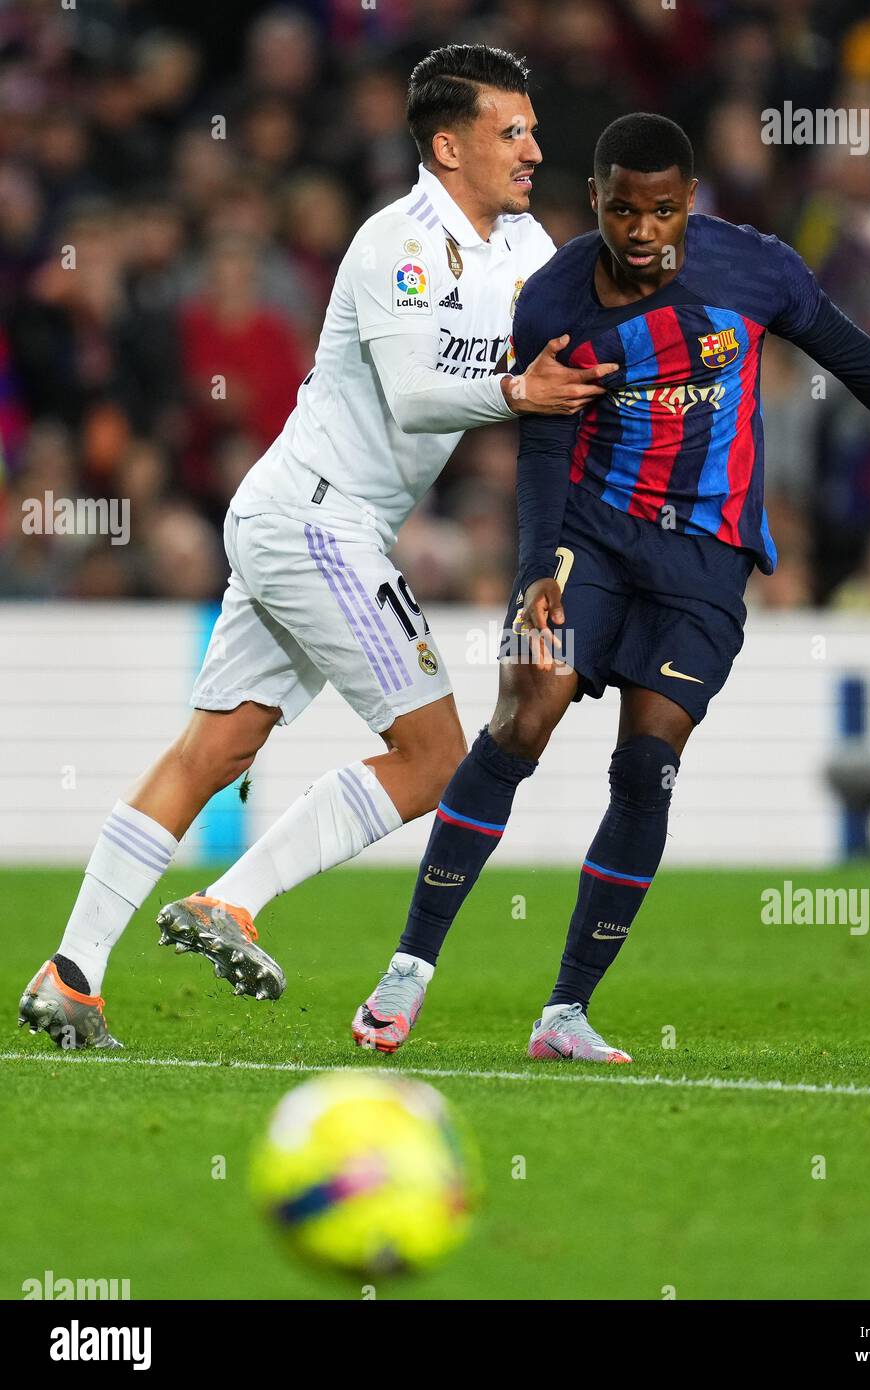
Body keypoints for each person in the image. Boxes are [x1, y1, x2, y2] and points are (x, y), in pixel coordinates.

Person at [351, 112, 870, 1061]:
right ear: (598, 203)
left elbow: (858, 362)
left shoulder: (759, 270)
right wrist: (534, 569)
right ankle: (408, 970)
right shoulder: (555, 299)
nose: (642, 230)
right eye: (623, 210)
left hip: (706, 556)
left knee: (648, 768)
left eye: (660, 210)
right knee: (524, 714)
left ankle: (564, 1012)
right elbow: (543, 444)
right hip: (589, 537)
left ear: (689, 201)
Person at [18, 44, 616, 1050]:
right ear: (447, 143)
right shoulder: (396, 242)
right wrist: (517, 391)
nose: (532, 147)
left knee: (216, 747)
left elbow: (578, 354)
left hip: (312, 521)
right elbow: (417, 395)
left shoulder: (526, 248)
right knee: (431, 756)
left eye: (530, 127)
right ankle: (235, 900)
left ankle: (71, 973)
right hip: (316, 518)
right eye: (509, 130)